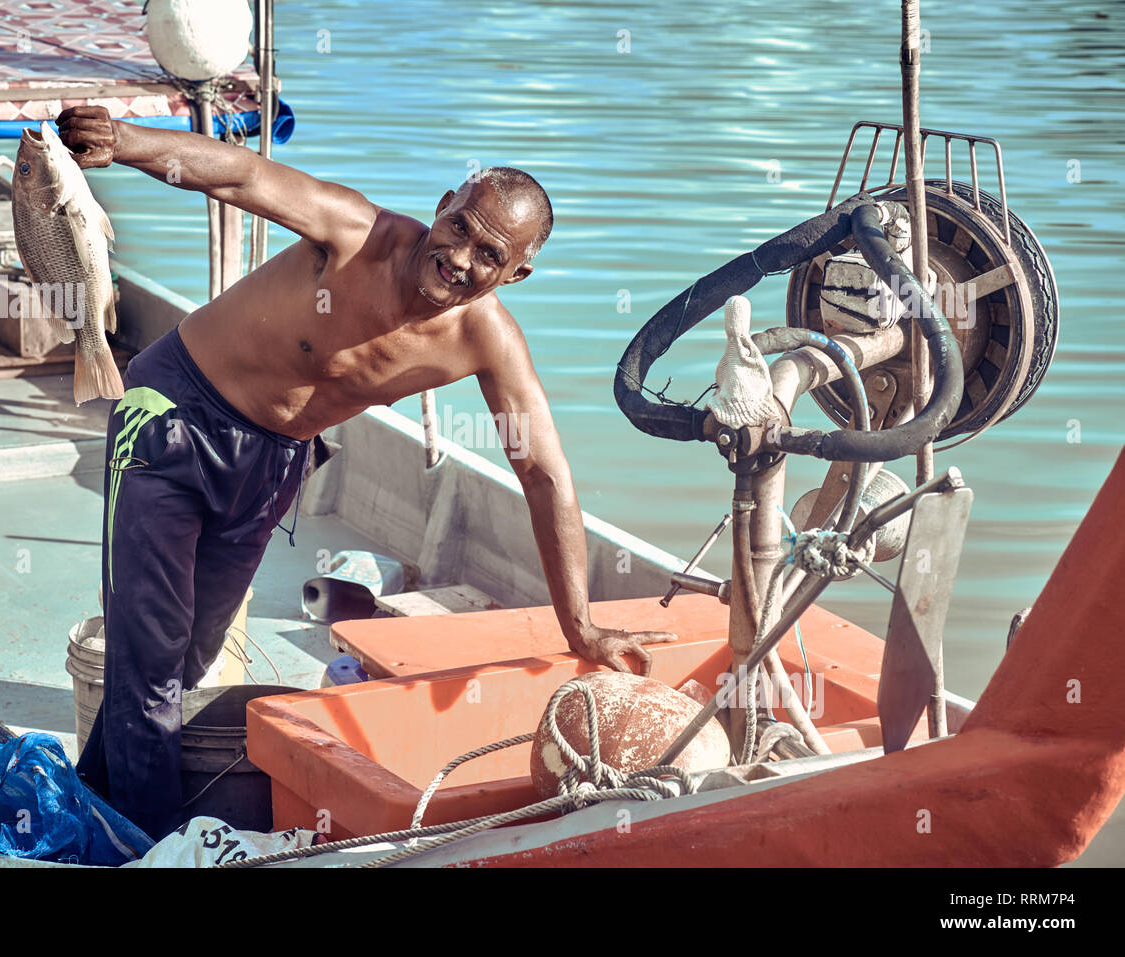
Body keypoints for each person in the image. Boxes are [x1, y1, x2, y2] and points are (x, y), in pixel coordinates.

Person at [57, 106, 674, 839]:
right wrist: (124, 141)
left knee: (187, 657)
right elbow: (244, 176)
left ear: (517, 273)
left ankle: (87, 802)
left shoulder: (487, 340)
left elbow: (544, 473)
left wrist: (582, 627)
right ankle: (145, 850)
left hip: (272, 462)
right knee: (152, 660)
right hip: (174, 415)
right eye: (460, 228)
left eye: (489, 254)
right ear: (443, 206)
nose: (461, 257)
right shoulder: (357, 233)